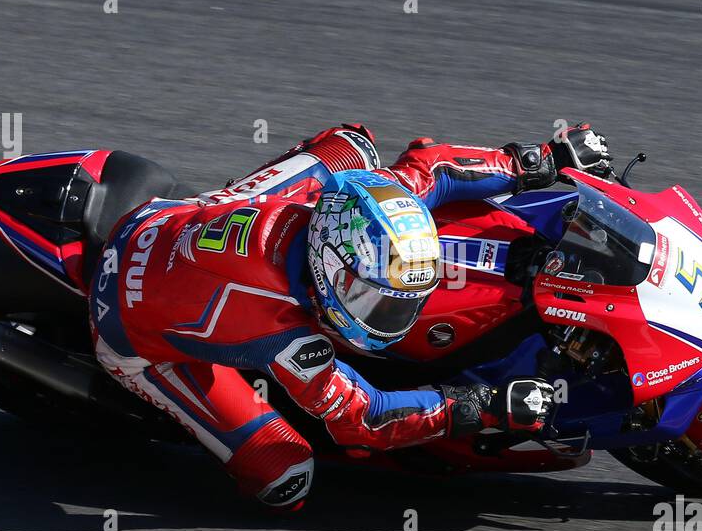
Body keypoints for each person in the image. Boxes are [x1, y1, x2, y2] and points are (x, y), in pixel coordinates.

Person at [90, 122, 614, 510]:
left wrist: (543, 159)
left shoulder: (333, 203)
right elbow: (364, 417)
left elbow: (431, 168)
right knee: (284, 477)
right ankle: (182, 405)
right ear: (329, 268)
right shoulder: (286, 334)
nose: (395, 315)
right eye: (377, 300)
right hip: (128, 329)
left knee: (352, 144)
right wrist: (485, 405)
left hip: (164, 221)